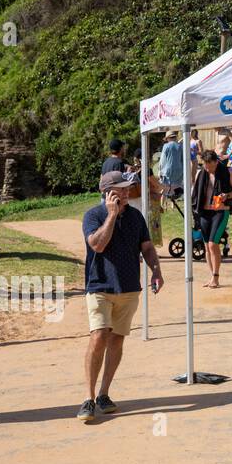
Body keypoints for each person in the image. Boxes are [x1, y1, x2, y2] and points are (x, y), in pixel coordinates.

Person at [78, 171, 163, 422]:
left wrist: (156, 270)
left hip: (128, 287)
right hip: (99, 286)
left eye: (128, 188)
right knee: (98, 336)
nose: (127, 192)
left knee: (116, 340)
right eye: (122, 188)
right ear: (107, 191)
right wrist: (112, 215)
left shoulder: (136, 216)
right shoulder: (93, 216)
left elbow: (146, 246)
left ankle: (104, 394)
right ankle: (88, 398)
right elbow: (97, 245)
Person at [193, 149, 232, 289]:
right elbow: (196, 193)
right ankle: (212, 276)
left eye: (210, 165)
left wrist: (227, 196)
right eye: (205, 165)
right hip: (204, 212)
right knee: (206, 247)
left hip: (220, 211)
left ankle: (216, 276)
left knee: (212, 244)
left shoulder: (227, 172)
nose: (207, 168)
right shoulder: (201, 173)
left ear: (216, 162)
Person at [158, 130, 184, 209]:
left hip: (167, 170)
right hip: (179, 169)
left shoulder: (166, 146)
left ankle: (162, 205)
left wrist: (160, 170)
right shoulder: (180, 146)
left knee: (165, 188)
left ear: (168, 138)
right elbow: (182, 159)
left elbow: (163, 159)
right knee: (175, 188)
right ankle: (173, 205)